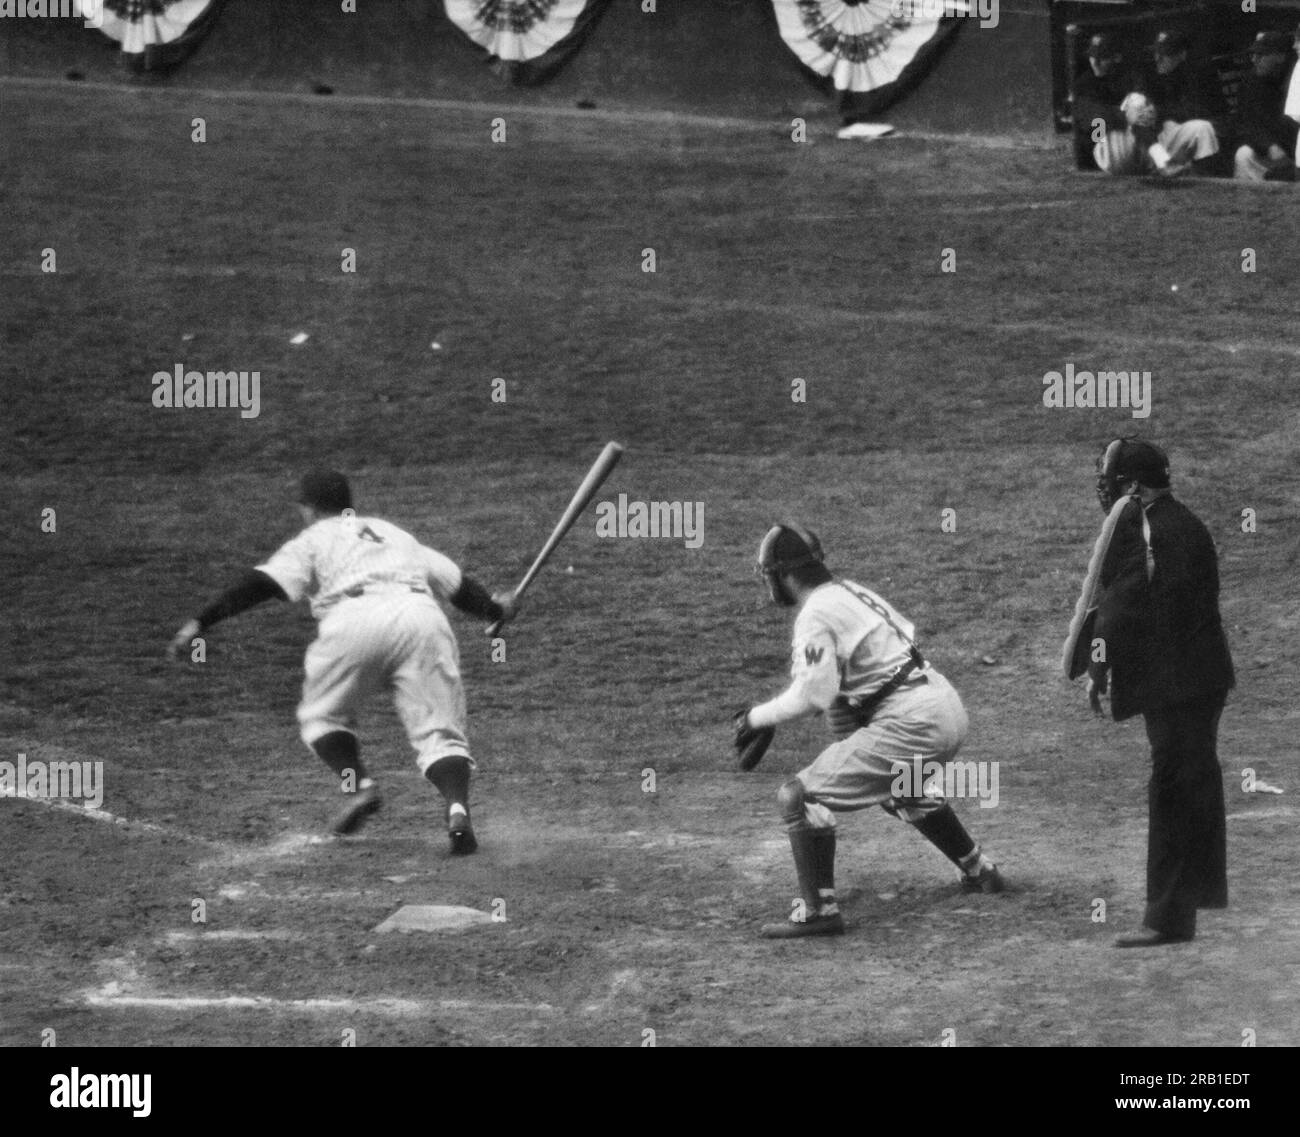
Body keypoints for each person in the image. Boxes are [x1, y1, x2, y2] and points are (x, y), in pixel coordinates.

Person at [166, 470, 517, 852]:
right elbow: (459, 588)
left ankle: (361, 786)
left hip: (354, 621)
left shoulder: (314, 538)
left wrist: (199, 622)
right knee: (440, 733)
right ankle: (457, 811)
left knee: (320, 717)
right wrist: (496, 608)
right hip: (421, 618)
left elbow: (261, 584)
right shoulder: (393, 533)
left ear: (308, 509)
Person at [736, 523, 1005, 940]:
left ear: (782, 573)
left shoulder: (814, 614)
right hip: (945, 708)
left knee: (797, 795)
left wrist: (757, 717)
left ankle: (819, 910)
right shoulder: (851, 593)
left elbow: (814, 695)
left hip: (912, 723)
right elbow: (844, 696)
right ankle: (979, 869)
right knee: (902, 787)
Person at [1080, 440, 1233, 947]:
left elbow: (1117, 610)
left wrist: (1097, 667)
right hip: (1200, 677)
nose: (1107, 492)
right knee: (1193, 783)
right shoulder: (1183, 521)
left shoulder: (1146, 531)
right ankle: (1187, 905)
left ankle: (1167, 919)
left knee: (1173, 788)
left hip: (1178, 683)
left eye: (1114, 483)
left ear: (1134, 488)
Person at [1137, 29, 1228, 177]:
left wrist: (1161, 113)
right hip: (1151, 141)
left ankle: (1206, 184)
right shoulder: (1148, 74)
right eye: (1156, 52)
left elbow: (1196, 111)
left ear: (1182, 55)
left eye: (1165, 54)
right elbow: (1141, 114)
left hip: (1185, 137)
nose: (1158, 58)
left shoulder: (1196, 75)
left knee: (1202, 128)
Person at [1072, 33, 1149, 174]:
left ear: (1116, 58)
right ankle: (1101, 163)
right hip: (1095, 151)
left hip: (1127, 144)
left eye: (1102, 57)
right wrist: (1122, 116)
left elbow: (1142, 111)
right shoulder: (1083, 83)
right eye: (1092, 56)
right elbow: (1094, 118)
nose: (1095, 62)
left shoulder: (1129, 79)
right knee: (1098, 122)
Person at [1233, 29, 1299, 180]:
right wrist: (1269, 145)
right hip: (1272, 150)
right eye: (1254, 55)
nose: (1254, 60)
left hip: (1295, 148)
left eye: (1262, 55)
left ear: (1280, 57)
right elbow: (1245, 123)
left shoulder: (1295, 78)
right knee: (1244, 154)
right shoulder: (1251, 81)